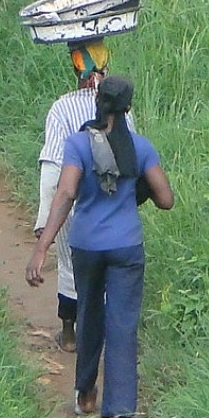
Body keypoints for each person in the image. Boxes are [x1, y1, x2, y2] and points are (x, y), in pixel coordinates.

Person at [27, 74, 174, 418]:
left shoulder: (77, 144)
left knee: (88, 315)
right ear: (128, 108)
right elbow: (167, 200)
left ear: (97, 102)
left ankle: (86, 393)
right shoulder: (140, 147)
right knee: (122, 327)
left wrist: (42, 246)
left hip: (86, 246)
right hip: (126, 246)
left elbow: (64, 195)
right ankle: (119, 416)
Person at [35, 42, 135, 351]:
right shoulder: (121, 110)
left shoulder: (61, 108)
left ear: (75, 67)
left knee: (69, 262)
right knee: (109, 267)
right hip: (113, 203)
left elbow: (53, 170)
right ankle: (109, 332)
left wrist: (44, 219)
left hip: (74, 201)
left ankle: (69, 332)